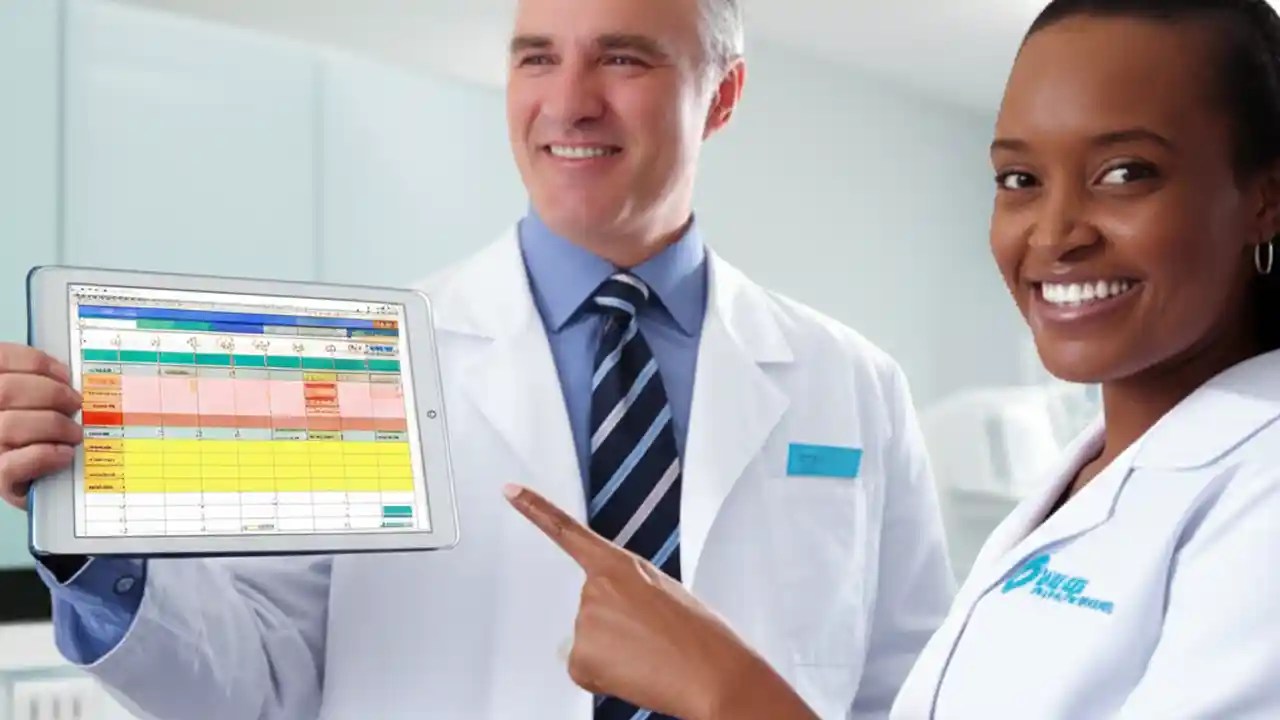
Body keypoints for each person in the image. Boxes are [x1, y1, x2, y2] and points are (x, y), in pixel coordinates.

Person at [0, 0, 958, 717]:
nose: (568, 102)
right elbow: (260, 682)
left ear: (724, 95)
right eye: (537, 58)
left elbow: (915, 696)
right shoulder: (366, 363)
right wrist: (96, 545)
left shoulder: (854, 386)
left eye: (621, 58)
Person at [502, 0, 1280, 717]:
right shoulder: (1080, 487)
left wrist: (725, 688)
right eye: (1020, 179)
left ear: (1266, 197)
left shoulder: (1259, 497)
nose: (1054, 234)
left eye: (1124, 173)